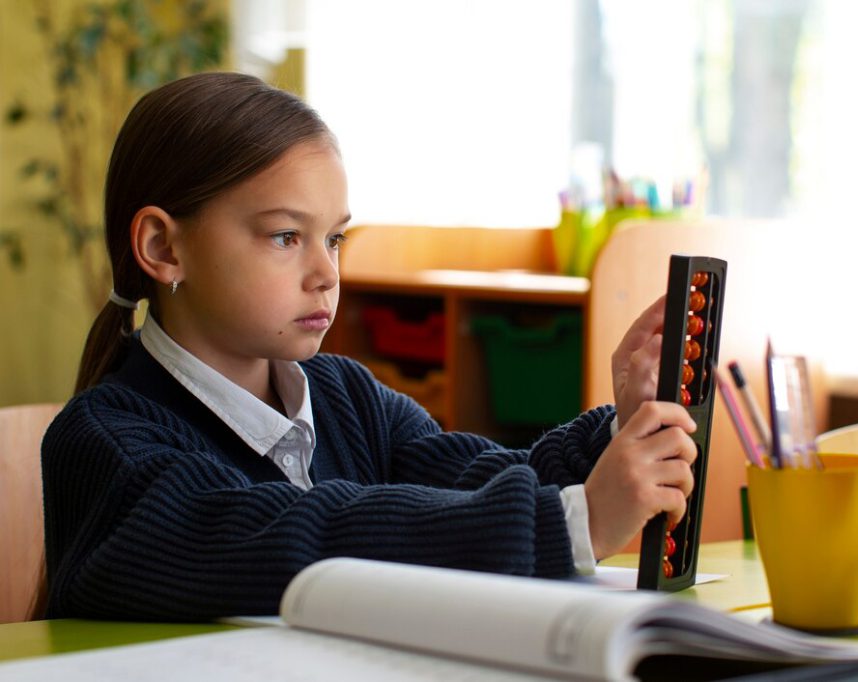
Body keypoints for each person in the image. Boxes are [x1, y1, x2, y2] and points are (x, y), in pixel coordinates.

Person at [41, 72, 698, 621]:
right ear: (163, 247)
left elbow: (480, 481)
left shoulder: (347, 397)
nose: (327, 273)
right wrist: (572, 523)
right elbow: (283, 537)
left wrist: (618, 436)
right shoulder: (103, 442)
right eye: (285, 237)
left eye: (334, 239)